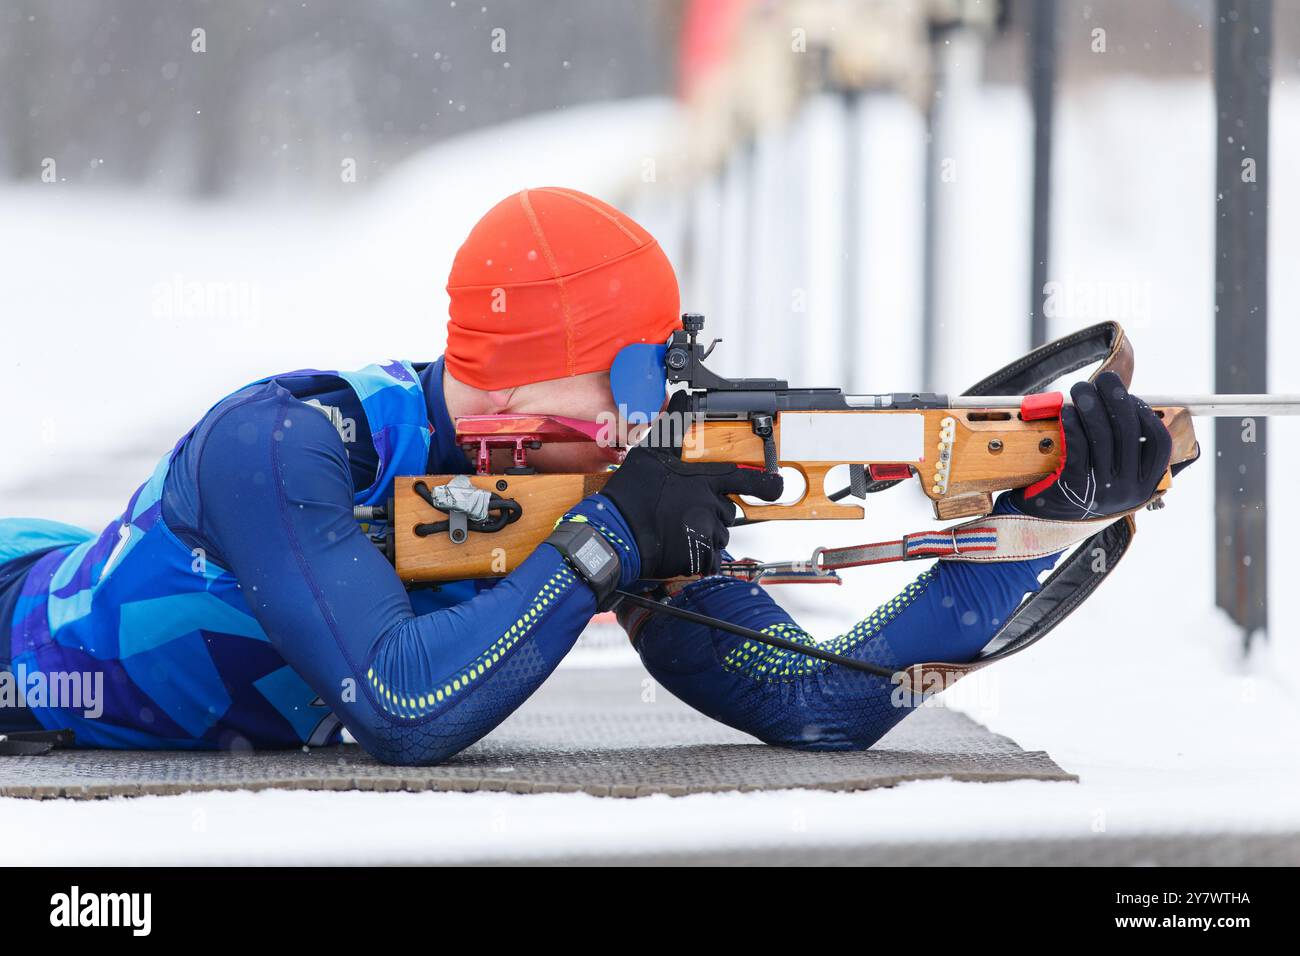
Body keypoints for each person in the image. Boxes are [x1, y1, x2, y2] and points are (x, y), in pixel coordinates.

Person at [0, 187, 1173, 764]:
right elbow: (403, 706)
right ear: (519, 386)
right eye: (626, 382)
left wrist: (1027, 529)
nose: (649, 414)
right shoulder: (280, 443)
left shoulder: (581, 482)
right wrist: (610, 534)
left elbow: (819, 702)